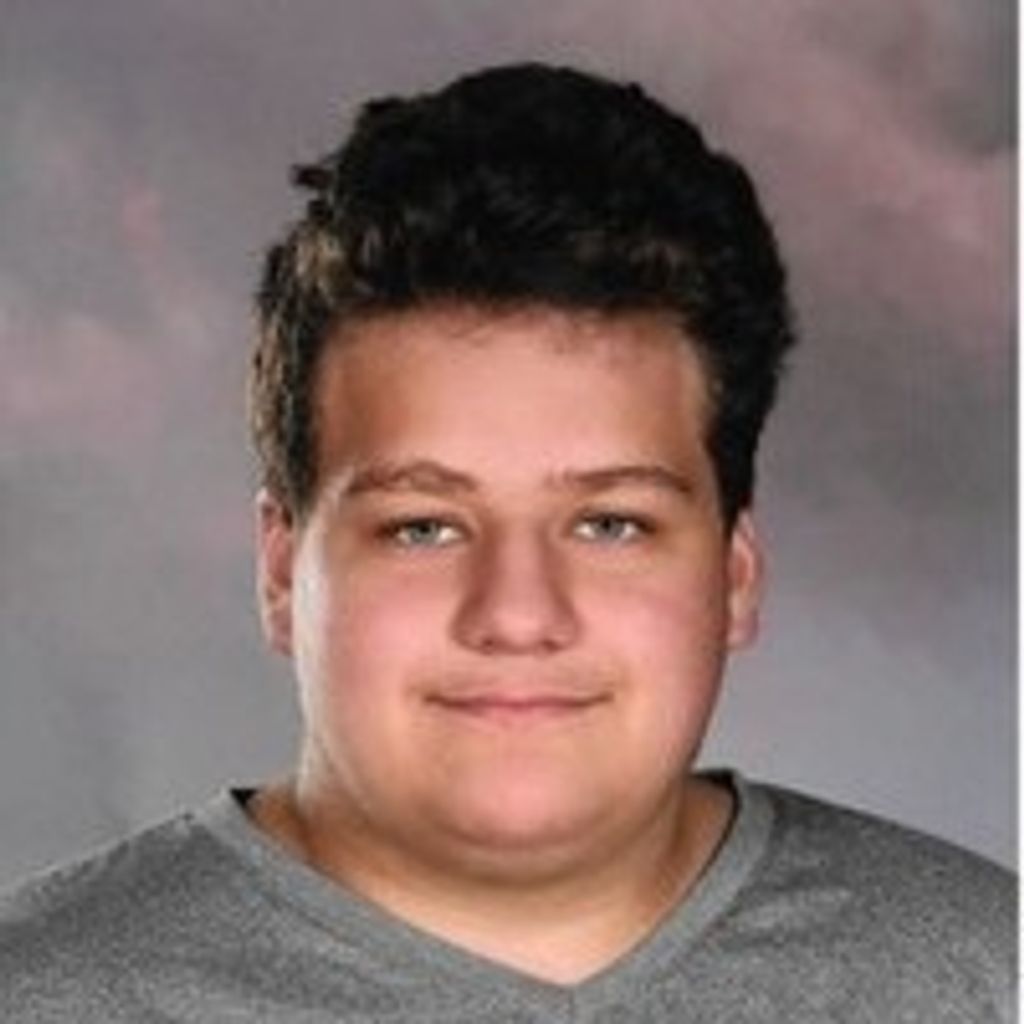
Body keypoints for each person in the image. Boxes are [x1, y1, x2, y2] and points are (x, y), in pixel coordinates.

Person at [0, 62, 1014, 1022]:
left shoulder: (985, 978)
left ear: (735, 575)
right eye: (423, 527)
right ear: (279, 571)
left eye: (610, 524)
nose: (518, 614)